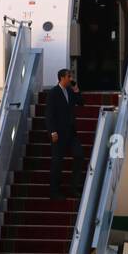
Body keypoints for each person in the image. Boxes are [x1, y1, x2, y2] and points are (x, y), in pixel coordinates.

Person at [46, 68, 85, 199]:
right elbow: (49, 114)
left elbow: (81, 103)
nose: (71, 79)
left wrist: (77, 91)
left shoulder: (70, 90)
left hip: (71, 133)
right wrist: (52, 131)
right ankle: (54, 191)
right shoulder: (53, 93)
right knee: (57, 162)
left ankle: (73, 188)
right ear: (62, 78)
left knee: (79, 155)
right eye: (69, 76)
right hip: (59, 133)